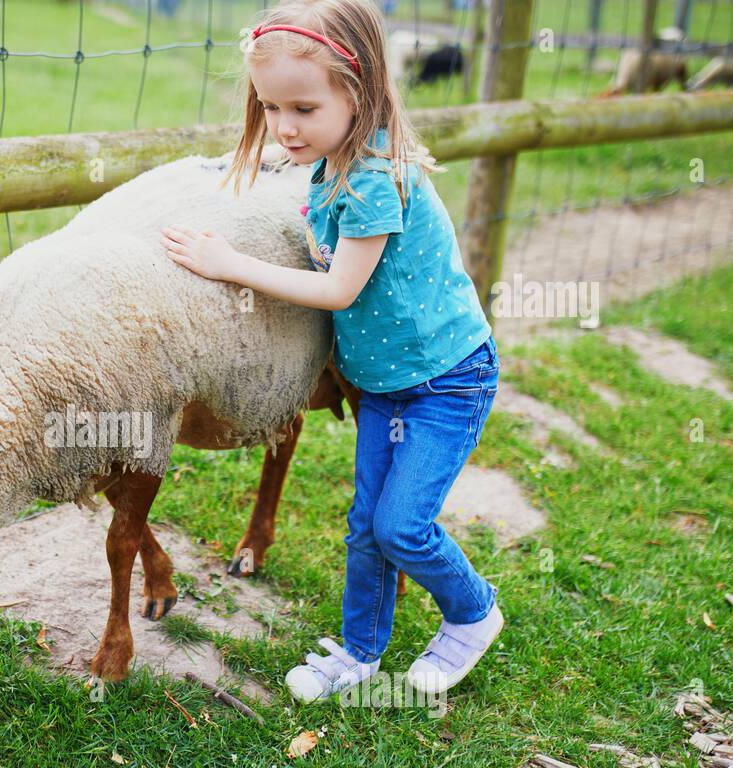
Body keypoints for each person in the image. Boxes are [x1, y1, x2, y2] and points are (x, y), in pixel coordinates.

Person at [160, 0, 502, 703]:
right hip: (386, 384)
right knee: (366, 525)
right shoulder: (333, 157)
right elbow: (290, 173)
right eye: (271, 106)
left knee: (402, 526)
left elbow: (341, 289)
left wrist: (229, 262)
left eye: (303, 108)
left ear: (362, 90)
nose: (285, 127)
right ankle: (359, 653)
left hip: (446, 382)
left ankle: (473, 613)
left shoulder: (374, 177)